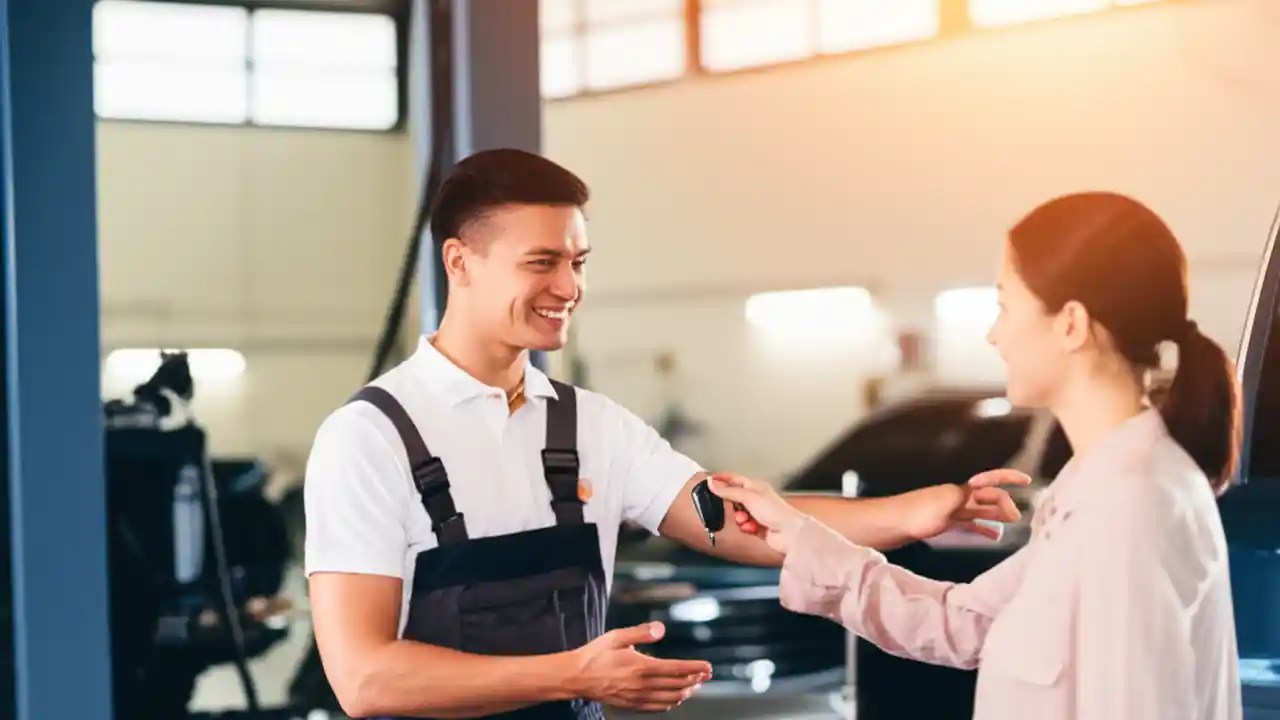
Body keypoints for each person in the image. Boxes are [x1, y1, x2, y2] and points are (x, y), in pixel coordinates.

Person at [303, 148, 1028, 719]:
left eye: (578, 262)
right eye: (542, 262)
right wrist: (573, 675)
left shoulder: (587, 426)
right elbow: (364, 677)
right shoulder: (370, 439)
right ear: (460, 262)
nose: (569, 288)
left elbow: (741, 523)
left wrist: (916, 511)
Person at [710, 191, 1243, 719]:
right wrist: (798, 535)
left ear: (1071, 324)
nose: (994, 334)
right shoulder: (1097, 487)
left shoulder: (1131, 505)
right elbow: (963, 623)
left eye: (1005, 307)